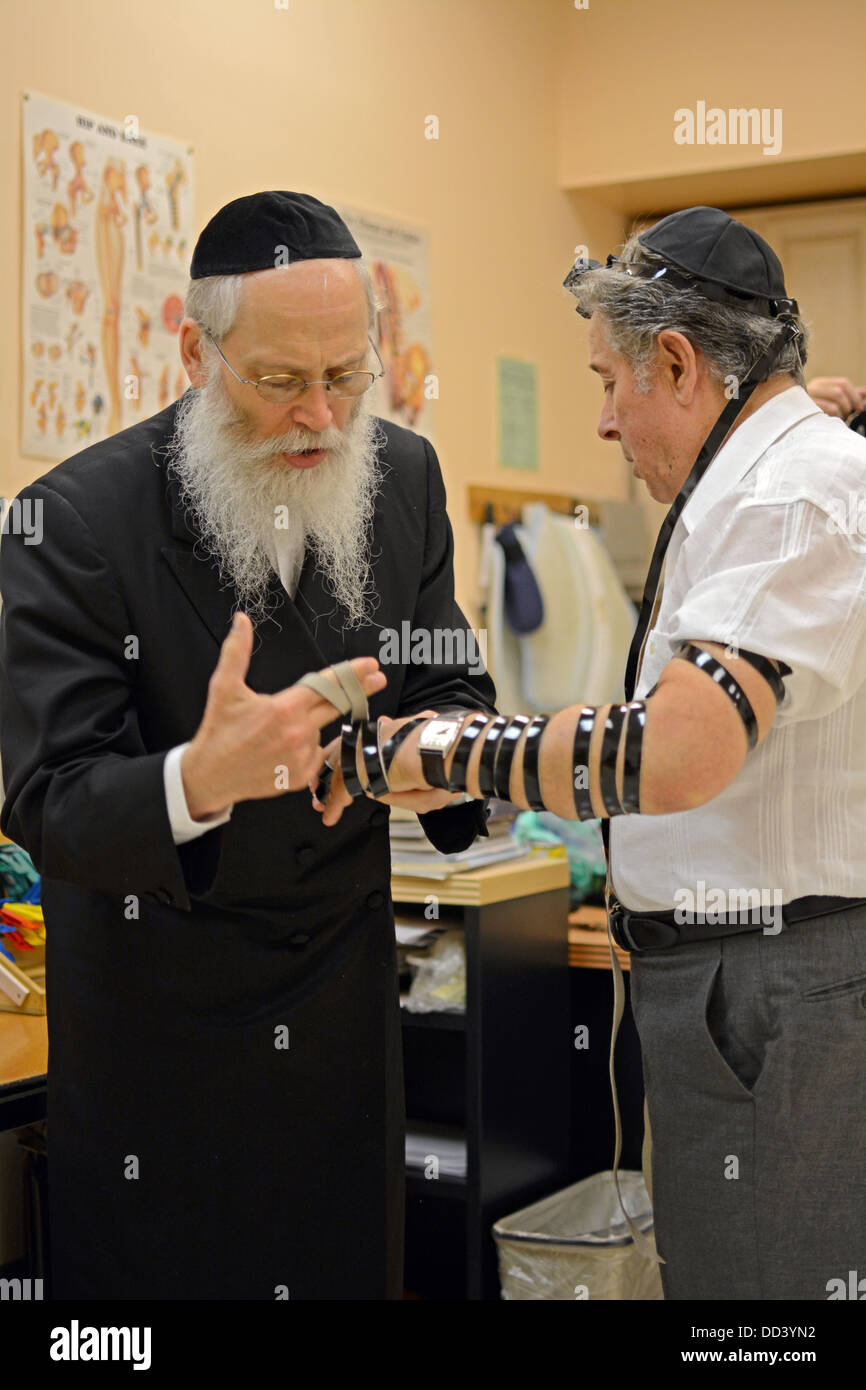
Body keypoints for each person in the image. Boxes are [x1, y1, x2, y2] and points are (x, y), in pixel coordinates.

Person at [323, 207, 866, 1301]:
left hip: (771, 986)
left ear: (676, 361)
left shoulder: (792, 490)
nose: (607, 422)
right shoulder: (767, 476)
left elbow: (672, 750)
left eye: (608, 381)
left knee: (761, 1300)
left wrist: (442, 746)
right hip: (745, 981)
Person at [0, 190, 496, 1300]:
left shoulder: (402, 479)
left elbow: (448, 678)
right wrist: (197, 780)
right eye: (279, 382)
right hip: (159, 1048)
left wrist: (437, 747)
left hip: (337, 1028)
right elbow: (49, 798)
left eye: (345, 377)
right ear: (194, 350)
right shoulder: (73, 523)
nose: (319, 414)